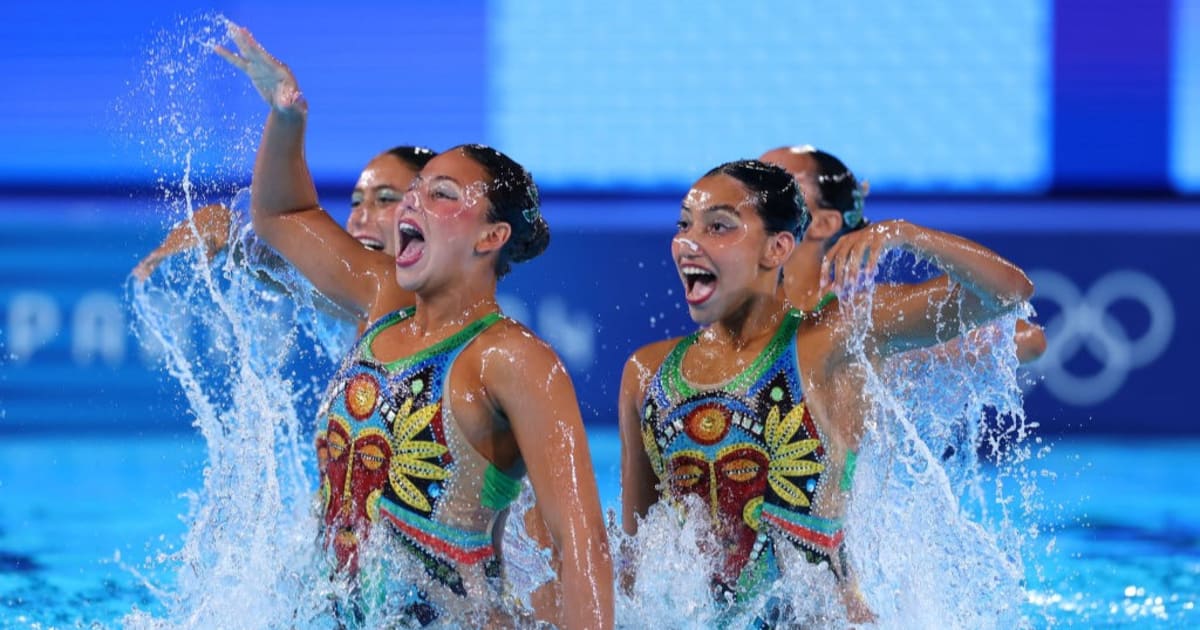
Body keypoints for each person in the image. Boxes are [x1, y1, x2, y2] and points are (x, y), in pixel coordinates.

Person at [217, 23, 612, 628]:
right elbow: (282, 215)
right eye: (416, 192)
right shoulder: (382, 299)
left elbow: (581, 545)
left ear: (492, 236)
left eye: (442, 195)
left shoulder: (512, 359)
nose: (411, 205)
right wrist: (287, 115)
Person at [619, 159, 1034, 624]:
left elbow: (1007, 293)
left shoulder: (831, 341)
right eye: (684, 224)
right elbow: (636, 560)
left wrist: (906, 235)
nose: (688, 242)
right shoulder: (647, 371)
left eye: (718, 226)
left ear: (777, 248)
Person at [759, 145, 1046, 364]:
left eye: (772, 186)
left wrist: (907, 234)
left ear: (822, 224)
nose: (748, 197)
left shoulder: (860, 321)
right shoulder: (727, 308)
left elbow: (1019, 314)